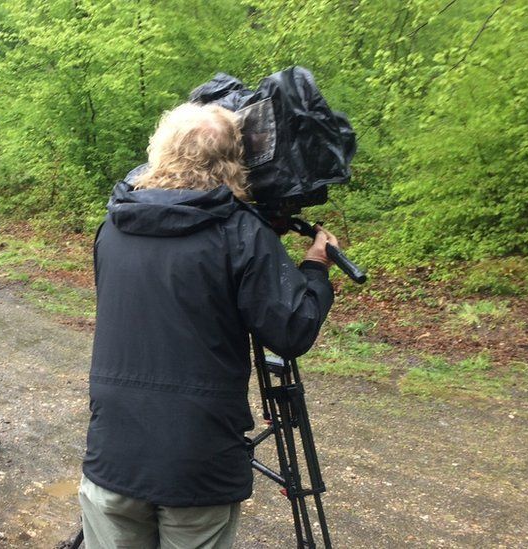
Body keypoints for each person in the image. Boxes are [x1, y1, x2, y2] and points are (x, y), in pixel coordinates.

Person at [79, 103, 338, 548]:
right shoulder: (240, 232)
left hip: (112, 451)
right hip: (196, 462)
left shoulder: (114, 224)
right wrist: (314, 267)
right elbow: (292, 330)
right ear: (235, 162)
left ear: (159, 150)